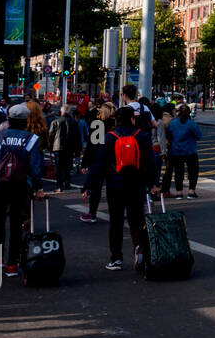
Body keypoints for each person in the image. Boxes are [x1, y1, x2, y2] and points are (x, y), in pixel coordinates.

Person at [0, 103, 45, 277]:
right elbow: (36, 167)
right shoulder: (31, 139)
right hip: (21, 185)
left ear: (9, 119)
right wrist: (39, 187)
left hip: (0, 184)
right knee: (16, 224)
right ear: (25, 120)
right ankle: (13, 263)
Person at [99, 106, 158, 271]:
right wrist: (154, 183)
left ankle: (116, 258)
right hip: (136, 185)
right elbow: (150, 162)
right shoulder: (142, 136)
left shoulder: (110, 137)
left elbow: (101, 163)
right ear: (133, 119)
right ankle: (139, 252)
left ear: (116, 120)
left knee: (116, 222)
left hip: (115, 185)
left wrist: (89, 186)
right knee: (136, 220)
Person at [79, 102, 115, 223]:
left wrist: (84, 163)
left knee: (96, 188)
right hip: (114, 160)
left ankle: (92, 213)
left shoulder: (98, 124)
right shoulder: (115, 124)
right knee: (113, 188)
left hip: (99, 159)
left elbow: (92, 146)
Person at [163, 104, 202, 199]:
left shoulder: (173, 123)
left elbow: (168, 135)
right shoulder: (191, 123)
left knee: (178, 172)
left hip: (176, 150)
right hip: (190, 150)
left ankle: (179, 192)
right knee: (193, 171)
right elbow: (199, 136)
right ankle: (191, 191)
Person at [48, 104, 80, 191]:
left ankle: (59, 186)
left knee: (58, 167)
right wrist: (78, 150)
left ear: (61, 112)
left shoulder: (55, 122)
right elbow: (77, 137)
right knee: (68, 166)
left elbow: (51, 136)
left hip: (58, 147)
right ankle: (67, 182)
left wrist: (50, 146)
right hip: (69, 147)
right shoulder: (74, 122)